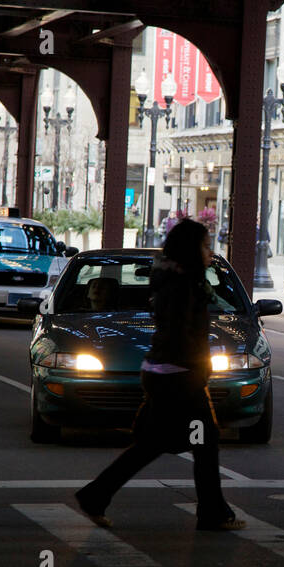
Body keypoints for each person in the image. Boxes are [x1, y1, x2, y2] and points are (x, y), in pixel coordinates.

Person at [75, 219, 244, 531]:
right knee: (203, 441)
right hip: (179, 376)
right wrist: (199, 370)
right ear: (191, 249)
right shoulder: (183, 285)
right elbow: (182, 335)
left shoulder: (177, 280)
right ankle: (212, 513)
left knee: (156, 444)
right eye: (206, 245)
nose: (210, 251)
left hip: (167, 373)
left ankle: (96, 495)